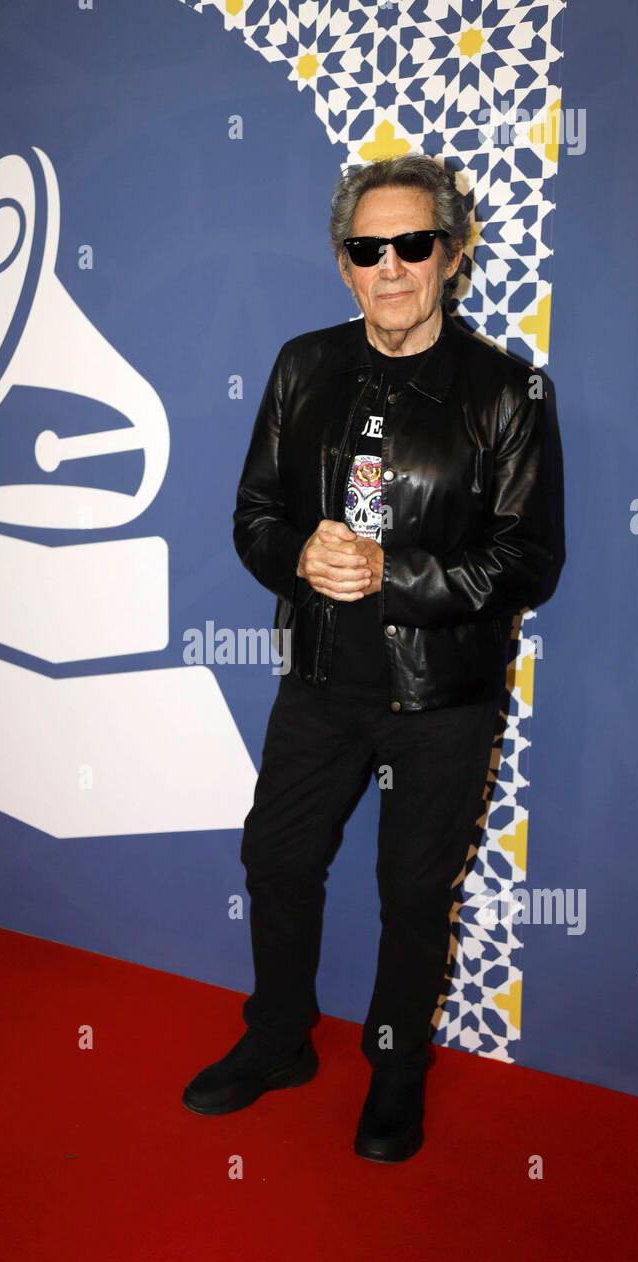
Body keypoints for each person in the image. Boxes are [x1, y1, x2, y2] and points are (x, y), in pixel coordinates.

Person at [182, 153, 565, 1163]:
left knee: (410, 891)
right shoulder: (301, 367)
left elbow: (527, 560)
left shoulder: (507, 390)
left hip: (441, 698)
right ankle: (276, 1041)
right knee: (275, 859)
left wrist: (392, 573)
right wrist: (295, 553)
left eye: (411, 244)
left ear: (450, 254)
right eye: (366, 247)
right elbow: (252, 515)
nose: (388, 265)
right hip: (318, 680)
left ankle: (394, 1071)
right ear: (343, 264)